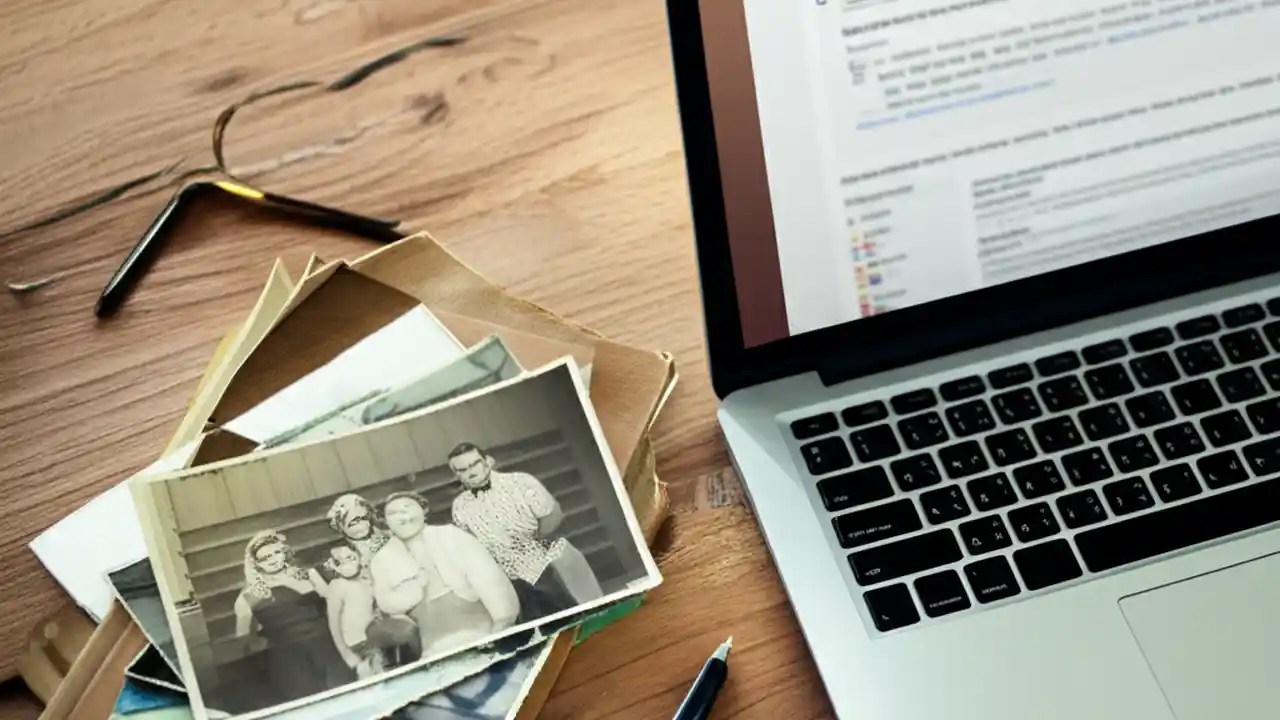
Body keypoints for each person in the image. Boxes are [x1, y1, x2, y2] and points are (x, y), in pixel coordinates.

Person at [447, 442, 604, 620]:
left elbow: (553, 515)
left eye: (474, 463)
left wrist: (532, 548)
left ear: (488, 461)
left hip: (548, 564)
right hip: (510, 581)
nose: (470, 471)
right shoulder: (460, 506)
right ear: (456, 474)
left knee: (584, 616)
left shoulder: (520, 481)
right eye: (462, 469)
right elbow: (471, 545)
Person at [370, 491, 520, 658]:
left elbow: (491, 581)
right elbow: (388, 604)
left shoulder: (452, 536)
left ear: (423, 510)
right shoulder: (382, 560)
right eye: (393, 513)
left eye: (408, 508)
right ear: (385, 522)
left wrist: (501, 625)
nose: (403, 516)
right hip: (432, 650)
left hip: (481, 635)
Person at [233, 531, 355, 703]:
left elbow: (334, 605)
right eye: (266, 557)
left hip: (327, 642)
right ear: (256, 564)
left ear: (285, 552)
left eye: (276, 552)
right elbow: (243, 639)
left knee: (345, 693)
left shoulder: (309, 574)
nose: (273, 559)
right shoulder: (248, 596)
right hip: (289, 654)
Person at [325, 494, 419, 667]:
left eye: (363, 518)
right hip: (369, 621)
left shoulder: (388, 538)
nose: (361, 525)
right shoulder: (344, 555)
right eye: (353, 523)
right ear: (341, 527)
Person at [322, 545, 381, 678]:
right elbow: (333, 624)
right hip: (357, 645)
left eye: (350, 558)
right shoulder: (337, 586)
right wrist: (347, 654)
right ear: (333, 566)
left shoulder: (367, 581)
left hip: (377, 638)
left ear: (359, 557)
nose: (346, 564)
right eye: (339, 561)